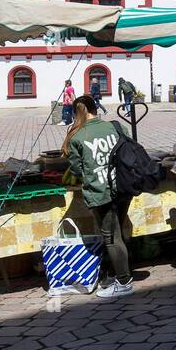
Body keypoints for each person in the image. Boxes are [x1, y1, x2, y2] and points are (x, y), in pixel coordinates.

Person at [62, 95, 133, 299]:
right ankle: (114, 273)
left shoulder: (77, 137)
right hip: (123, 186)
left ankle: (124, 281)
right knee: (117, 232)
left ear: (78, 112)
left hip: (100, 190)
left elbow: (76, 168)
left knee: (111, 237)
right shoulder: (116, 127)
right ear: (95, 107)